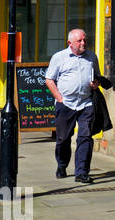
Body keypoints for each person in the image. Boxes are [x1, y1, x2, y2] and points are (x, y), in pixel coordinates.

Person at [45, 28, 109, 183]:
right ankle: (62, 165)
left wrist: (96, 84)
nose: (83, 43)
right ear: (70, 43)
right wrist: (59, 98)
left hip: (86, 103)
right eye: (79, 40)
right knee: (63, 138)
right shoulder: (59, 57)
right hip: (65, 103)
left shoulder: (91, 57)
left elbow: (97, 77)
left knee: (85, 137)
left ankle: (82, 172)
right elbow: (49, 79)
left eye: (84, 40)